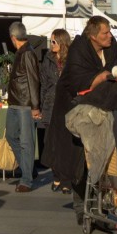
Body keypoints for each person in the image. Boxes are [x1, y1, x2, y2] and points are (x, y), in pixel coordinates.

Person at [48, 16, 117, 221]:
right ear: (92, 36)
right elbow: (77, 80)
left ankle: (103, 202)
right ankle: (81, 205)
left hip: (103, 104)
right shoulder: (78, 49)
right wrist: (100, 77)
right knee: (79, 157)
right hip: (73, 106)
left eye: (109, 32)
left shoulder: (111, 45)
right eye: (105, 33)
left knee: (104, 153)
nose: (110, 36)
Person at [5, 22, 42, 193]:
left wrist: (35, 106)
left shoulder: (27, 53)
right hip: (15, 102)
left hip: (25, 104)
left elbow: (33, 80)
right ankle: (29, 169)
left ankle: (26, 179)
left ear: (13, 38)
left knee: (26, 142)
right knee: (12, 136)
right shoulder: (21, 52)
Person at [39, 29, 71, 192]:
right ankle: (56, 176)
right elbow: (44, 84)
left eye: (53, 42)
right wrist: (40, 106)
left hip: (66, 106)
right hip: (50, 105)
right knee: (50, 143)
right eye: (50, 41)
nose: (51, 45)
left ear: (61, 42)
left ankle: (66, 180)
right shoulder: (48, 59)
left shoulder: (70, 60)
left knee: (64, 144)